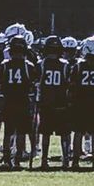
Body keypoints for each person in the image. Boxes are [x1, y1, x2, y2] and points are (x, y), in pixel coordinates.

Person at [0, 35, 38, 169]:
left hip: (9, 101)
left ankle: (6, 158)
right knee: (21, 132)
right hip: (23, 101)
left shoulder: (4, 65)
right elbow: (32, 84)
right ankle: (17, 160)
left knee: (8, 131)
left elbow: (0, 83)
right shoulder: (28, 66)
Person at [69, 36, 94, 171]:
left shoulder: (78, 66)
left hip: (80, 102)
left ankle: (75, 160)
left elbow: (71, 85)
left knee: (78, 132)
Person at [36, 36, 71, 169]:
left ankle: (44, 159)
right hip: (60, 103)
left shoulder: (41, 64)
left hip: (46, 103)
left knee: (46, 133)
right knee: (64, 134)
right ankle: (66, 159)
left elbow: (37, 82)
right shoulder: (65, 64)